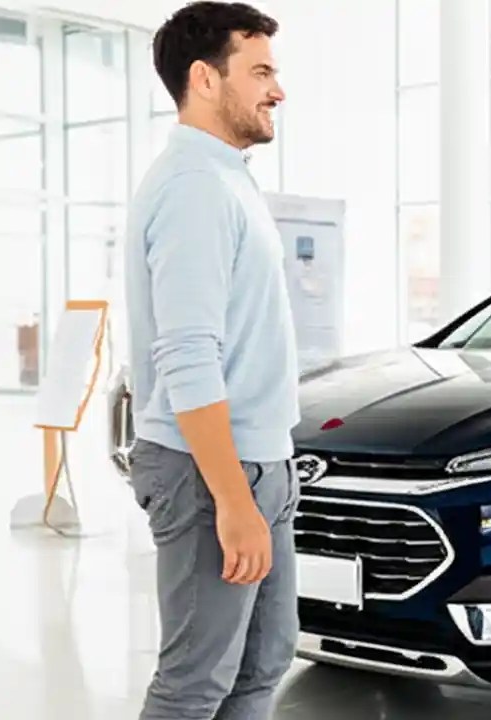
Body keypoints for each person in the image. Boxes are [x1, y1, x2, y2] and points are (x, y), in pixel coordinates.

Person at [123, 2, 300, 718]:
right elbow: (188, 356)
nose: (278, 89)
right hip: (211, 470)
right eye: (260, 71)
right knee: (195, 683)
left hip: (260, 462)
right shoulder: (194, 186)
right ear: (204, 77)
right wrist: (233, 499)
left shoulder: (227, 177)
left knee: (262, 664)